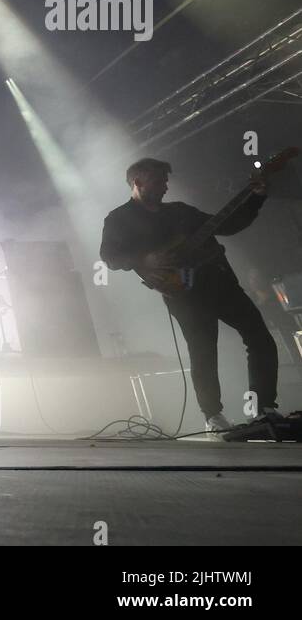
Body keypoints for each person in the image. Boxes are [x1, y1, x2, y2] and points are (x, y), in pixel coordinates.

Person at [100, 157, 281, 436]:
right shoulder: (119, 218)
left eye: (166, 180)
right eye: (159, 181)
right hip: (181, 291)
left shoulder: (180, 211)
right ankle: (213, 415)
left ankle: (265, 408)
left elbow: (228, 225)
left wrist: (256, 197)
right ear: (138, 182)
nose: (165, 186)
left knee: (259, 337)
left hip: (219, 281)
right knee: (203, 351)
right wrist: (145, 257)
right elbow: (109, 258)